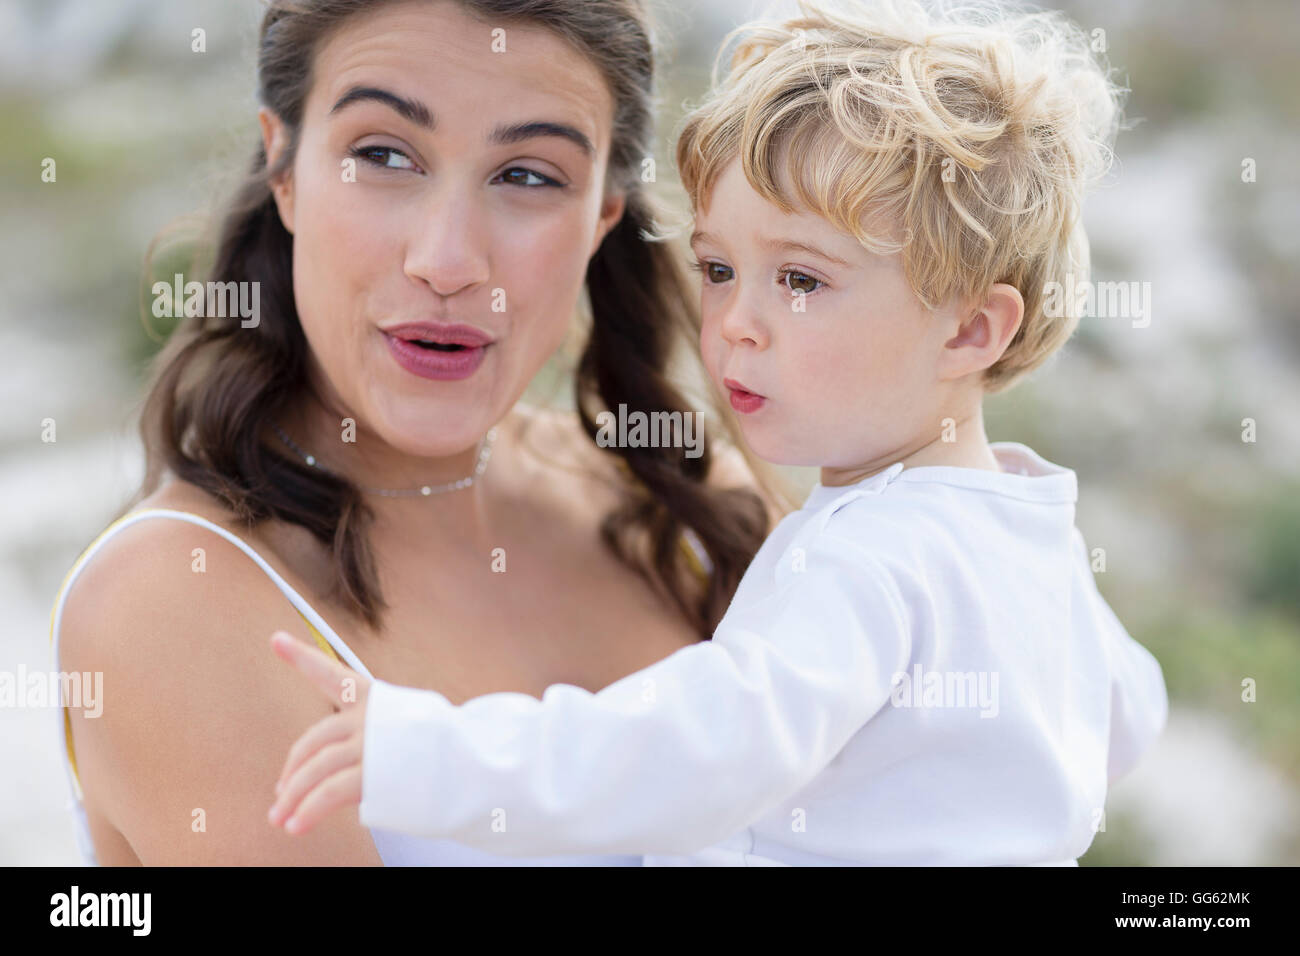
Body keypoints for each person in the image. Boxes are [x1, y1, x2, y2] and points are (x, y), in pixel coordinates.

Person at [266, 0, 1169, 866]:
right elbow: (1129, 713)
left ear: (971, 331)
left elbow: (697, 754)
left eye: (803, 281)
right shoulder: (1029, 533)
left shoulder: (870, 558)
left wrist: (429, 757)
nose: (737, 320)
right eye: (721, 268)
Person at [50, 0, 777, 866]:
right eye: (383, 155)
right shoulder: (175, 599)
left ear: (605, 217)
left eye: (529, 175)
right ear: (283, 170)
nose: (447, 260)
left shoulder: (687, 517)